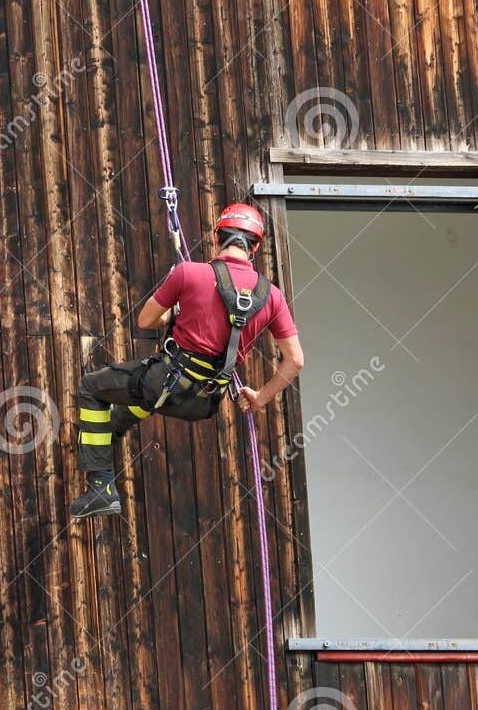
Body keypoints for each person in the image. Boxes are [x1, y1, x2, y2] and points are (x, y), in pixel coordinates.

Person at [70, 202, 304, 519]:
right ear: (256, 246)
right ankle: (111, 429)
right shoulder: (271, 295)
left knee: (92, 388)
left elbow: (146, 320)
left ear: (217, 236)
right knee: (137, 401)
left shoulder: (189, 273)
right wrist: (261, 397)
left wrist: (176, 310)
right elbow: (295, 361)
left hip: (167, 382)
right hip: (204, 403)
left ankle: (101, 488)